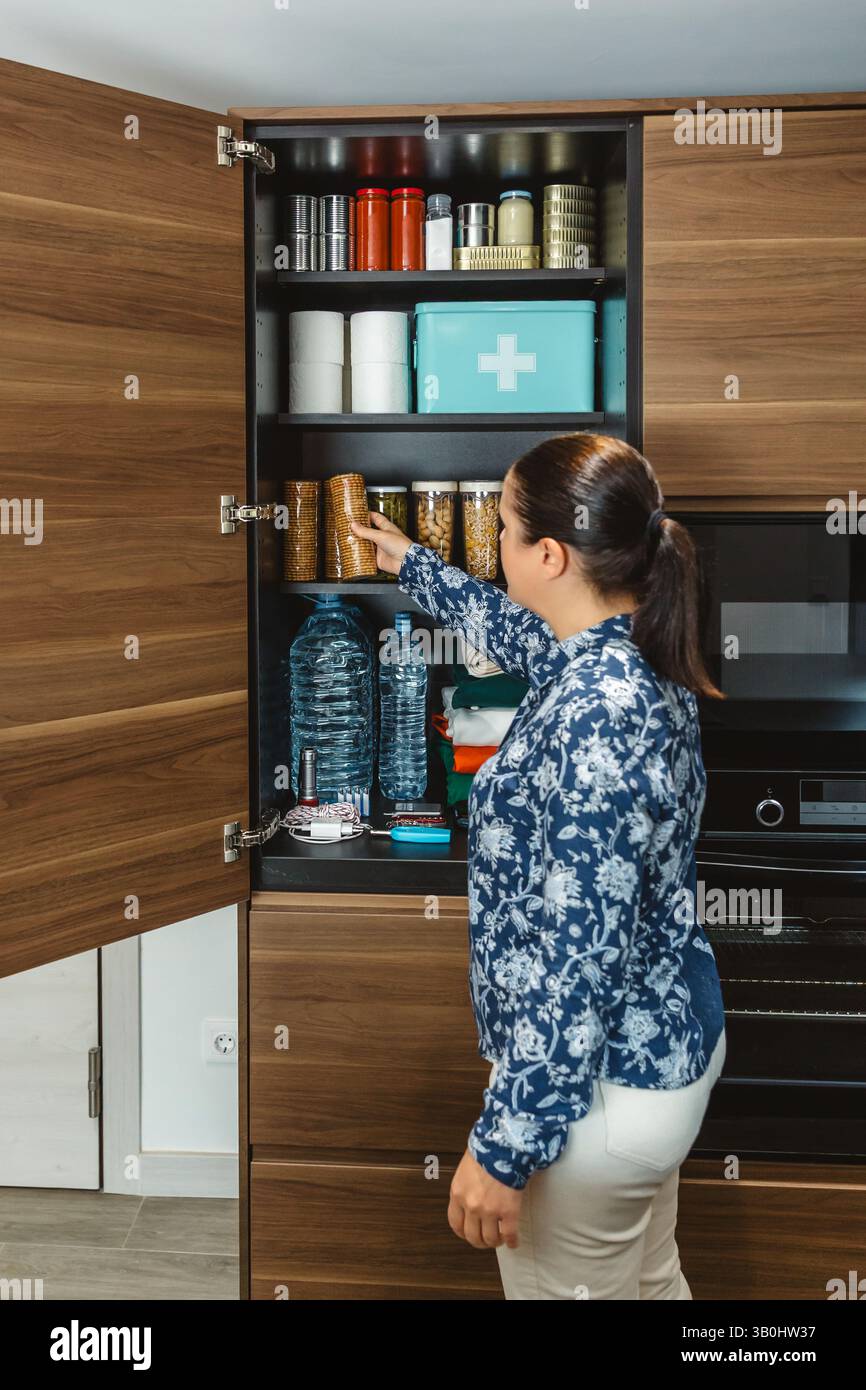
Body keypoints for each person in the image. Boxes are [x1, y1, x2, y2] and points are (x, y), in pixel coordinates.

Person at [350, 433, 726, 1300]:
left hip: (598, 1093)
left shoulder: (600, 713)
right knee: (651, 1284)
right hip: (657, 1051)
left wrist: (503, 1148)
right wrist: (415, 565)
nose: (498, 544)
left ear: (549, 554)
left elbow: (576, 962)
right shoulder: (624, 650)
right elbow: (523, 634)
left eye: (506, 529)